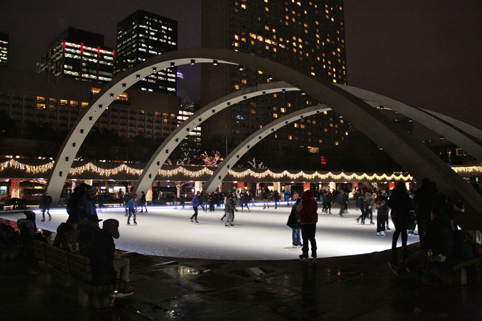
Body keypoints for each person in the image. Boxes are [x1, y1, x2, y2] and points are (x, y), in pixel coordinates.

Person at [84, 219, 133, 295]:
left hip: (93, 266)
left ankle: (120, 280)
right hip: (101, 270)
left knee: (118, 257)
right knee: (126, 261)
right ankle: (124, 285)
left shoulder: (98, 235)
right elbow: (108, 256)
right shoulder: (107, 239)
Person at [388, 182, 414, 263]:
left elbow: (389, 204)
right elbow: (410, 205)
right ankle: (404, 246)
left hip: (395, 214)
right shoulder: (405, 195)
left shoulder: (394, 195)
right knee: (403, 230)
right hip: (403, 214)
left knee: (397, 229)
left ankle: (394, 247)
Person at [297, 190, 318, 263]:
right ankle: (314, 253)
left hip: (305, 222)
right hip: (313, 222)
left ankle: (305, 253)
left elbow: (298, 209)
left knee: (305, 238)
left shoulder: (303, 203)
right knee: (312, 238)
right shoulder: (314, 203)